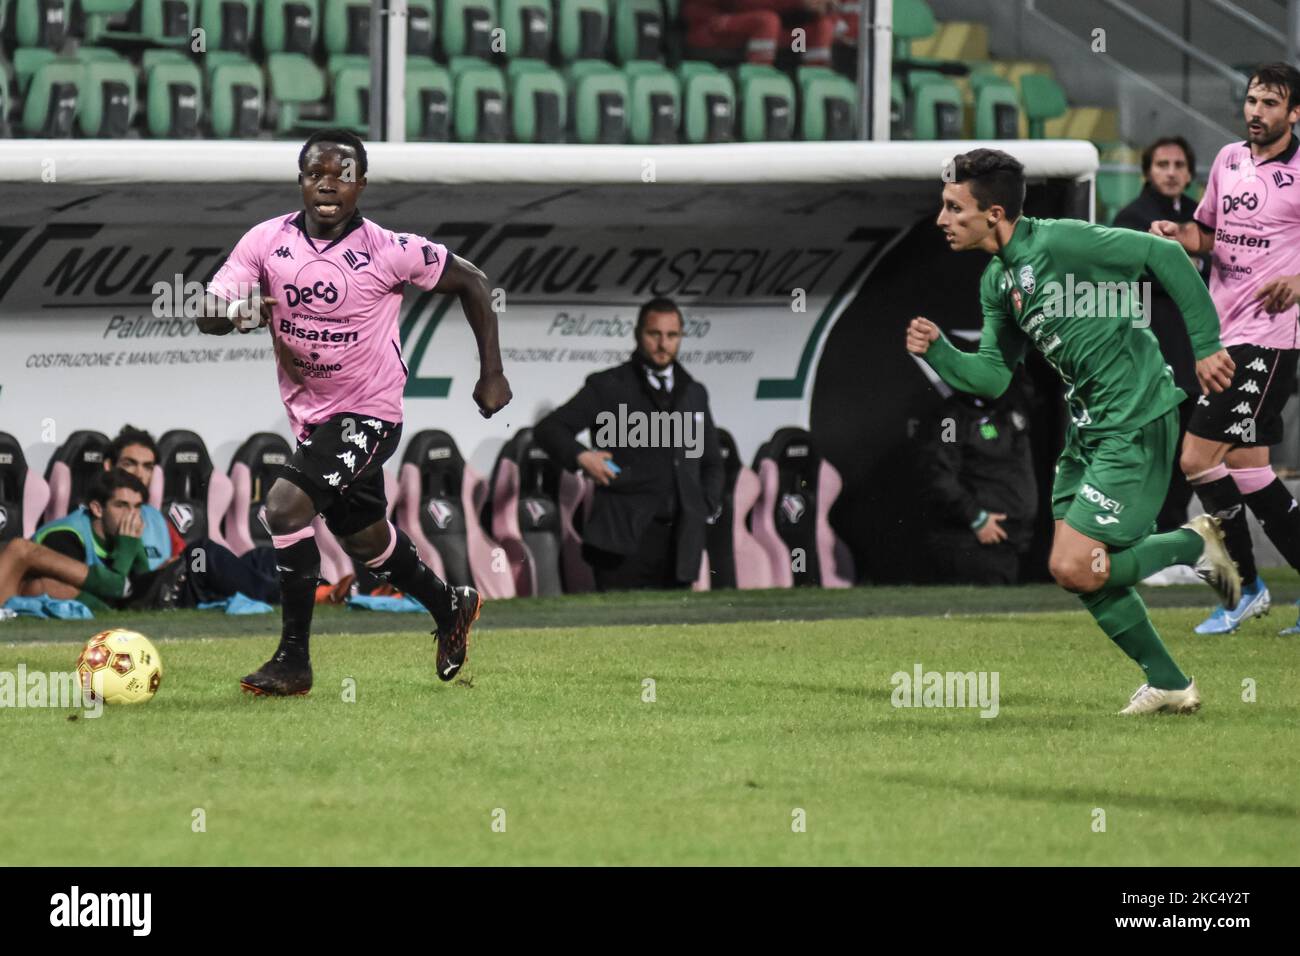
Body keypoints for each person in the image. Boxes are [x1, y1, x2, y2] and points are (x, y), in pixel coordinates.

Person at [907, 148, 1239, 716]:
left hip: (1137, 418)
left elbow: (1163, 254)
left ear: (992, 214)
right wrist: (940, 352)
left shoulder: (1060, 241)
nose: (942, 220)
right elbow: (991, 376)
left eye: (952, 207)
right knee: (1077, 569)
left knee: (1073, 565)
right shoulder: (997, 281)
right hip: (1088, 431)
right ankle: (1171, 683)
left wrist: (1207, 344)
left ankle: (1194, 544)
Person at [198, 129, 512, 696]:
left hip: (371, 413)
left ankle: (293, 660)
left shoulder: (388, 249)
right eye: (316, 172)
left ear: (360, 186)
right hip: (314, 421)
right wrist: (239, 313)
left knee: (285, 508)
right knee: (368, 543)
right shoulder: (266, 242)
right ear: (301, 180)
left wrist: (491, 371)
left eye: (342, 175)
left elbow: (475, 281)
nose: (328, 183)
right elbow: (206, 311)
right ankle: (451, 606)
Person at [1150, 63, 1300, 634]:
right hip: (1220, 333)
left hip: (1267, 341)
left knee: (1195, 460)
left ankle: (1240, 587)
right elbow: (1206, 234)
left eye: (1270, 103)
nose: (1257, 111)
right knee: (1248, 467)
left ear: (1295, 113)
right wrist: (1178, 236)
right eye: (1252, 100)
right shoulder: (1228, 160)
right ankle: (1247, 588)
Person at [533, 297, 724, 591]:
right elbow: (549, 429)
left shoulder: (694, 392)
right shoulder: (608, 386)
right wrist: (582, 457)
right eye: (654, 334)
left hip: (681, 542)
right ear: (638, 335)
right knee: (619, 634)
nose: (663, 343)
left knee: (676, 635)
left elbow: (711, 461)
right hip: (620, 541)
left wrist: (704, 506)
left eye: (672, 335)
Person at [1113, 136, 1206, 539]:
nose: (1171, 172)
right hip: (1151, 355)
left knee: (1188, 452)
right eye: (1163, 164)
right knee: (1153, 451)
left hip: (1195, 357)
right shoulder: (1131, 218)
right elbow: (1143, 277)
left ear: (1189, 172)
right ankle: (1143, 535)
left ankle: (1170, 532)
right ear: (1148, 170)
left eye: (1179, 164)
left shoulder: (1200, 218)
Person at [101, 425, 284, 607]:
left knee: (260, 557)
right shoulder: (99, 513)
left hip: (181, 579)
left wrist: (174, 562)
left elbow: (180, 555)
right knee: (202, 551)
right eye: (129, 464)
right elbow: (107, 580)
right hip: (161, 593)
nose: (139, 474)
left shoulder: (153, 516)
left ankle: (302, 585)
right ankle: (280, 595)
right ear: (109, 465)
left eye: (147, 467)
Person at [920, 379, 1037, 585]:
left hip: (1013, 542)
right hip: (974, 543)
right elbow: (940, 475)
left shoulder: (1010, 409)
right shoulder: (952, 420)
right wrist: (976, 517)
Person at [1, 469, 152, 610]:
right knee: (49, 584)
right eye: (121, 506)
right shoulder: (65, 535)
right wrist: (126, 554)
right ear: (97, 509)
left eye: (137, 507)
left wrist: (134, 547)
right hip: (16, 595)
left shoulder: (124, 536)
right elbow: (65, 591)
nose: (132, 515)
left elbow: (143, 596)